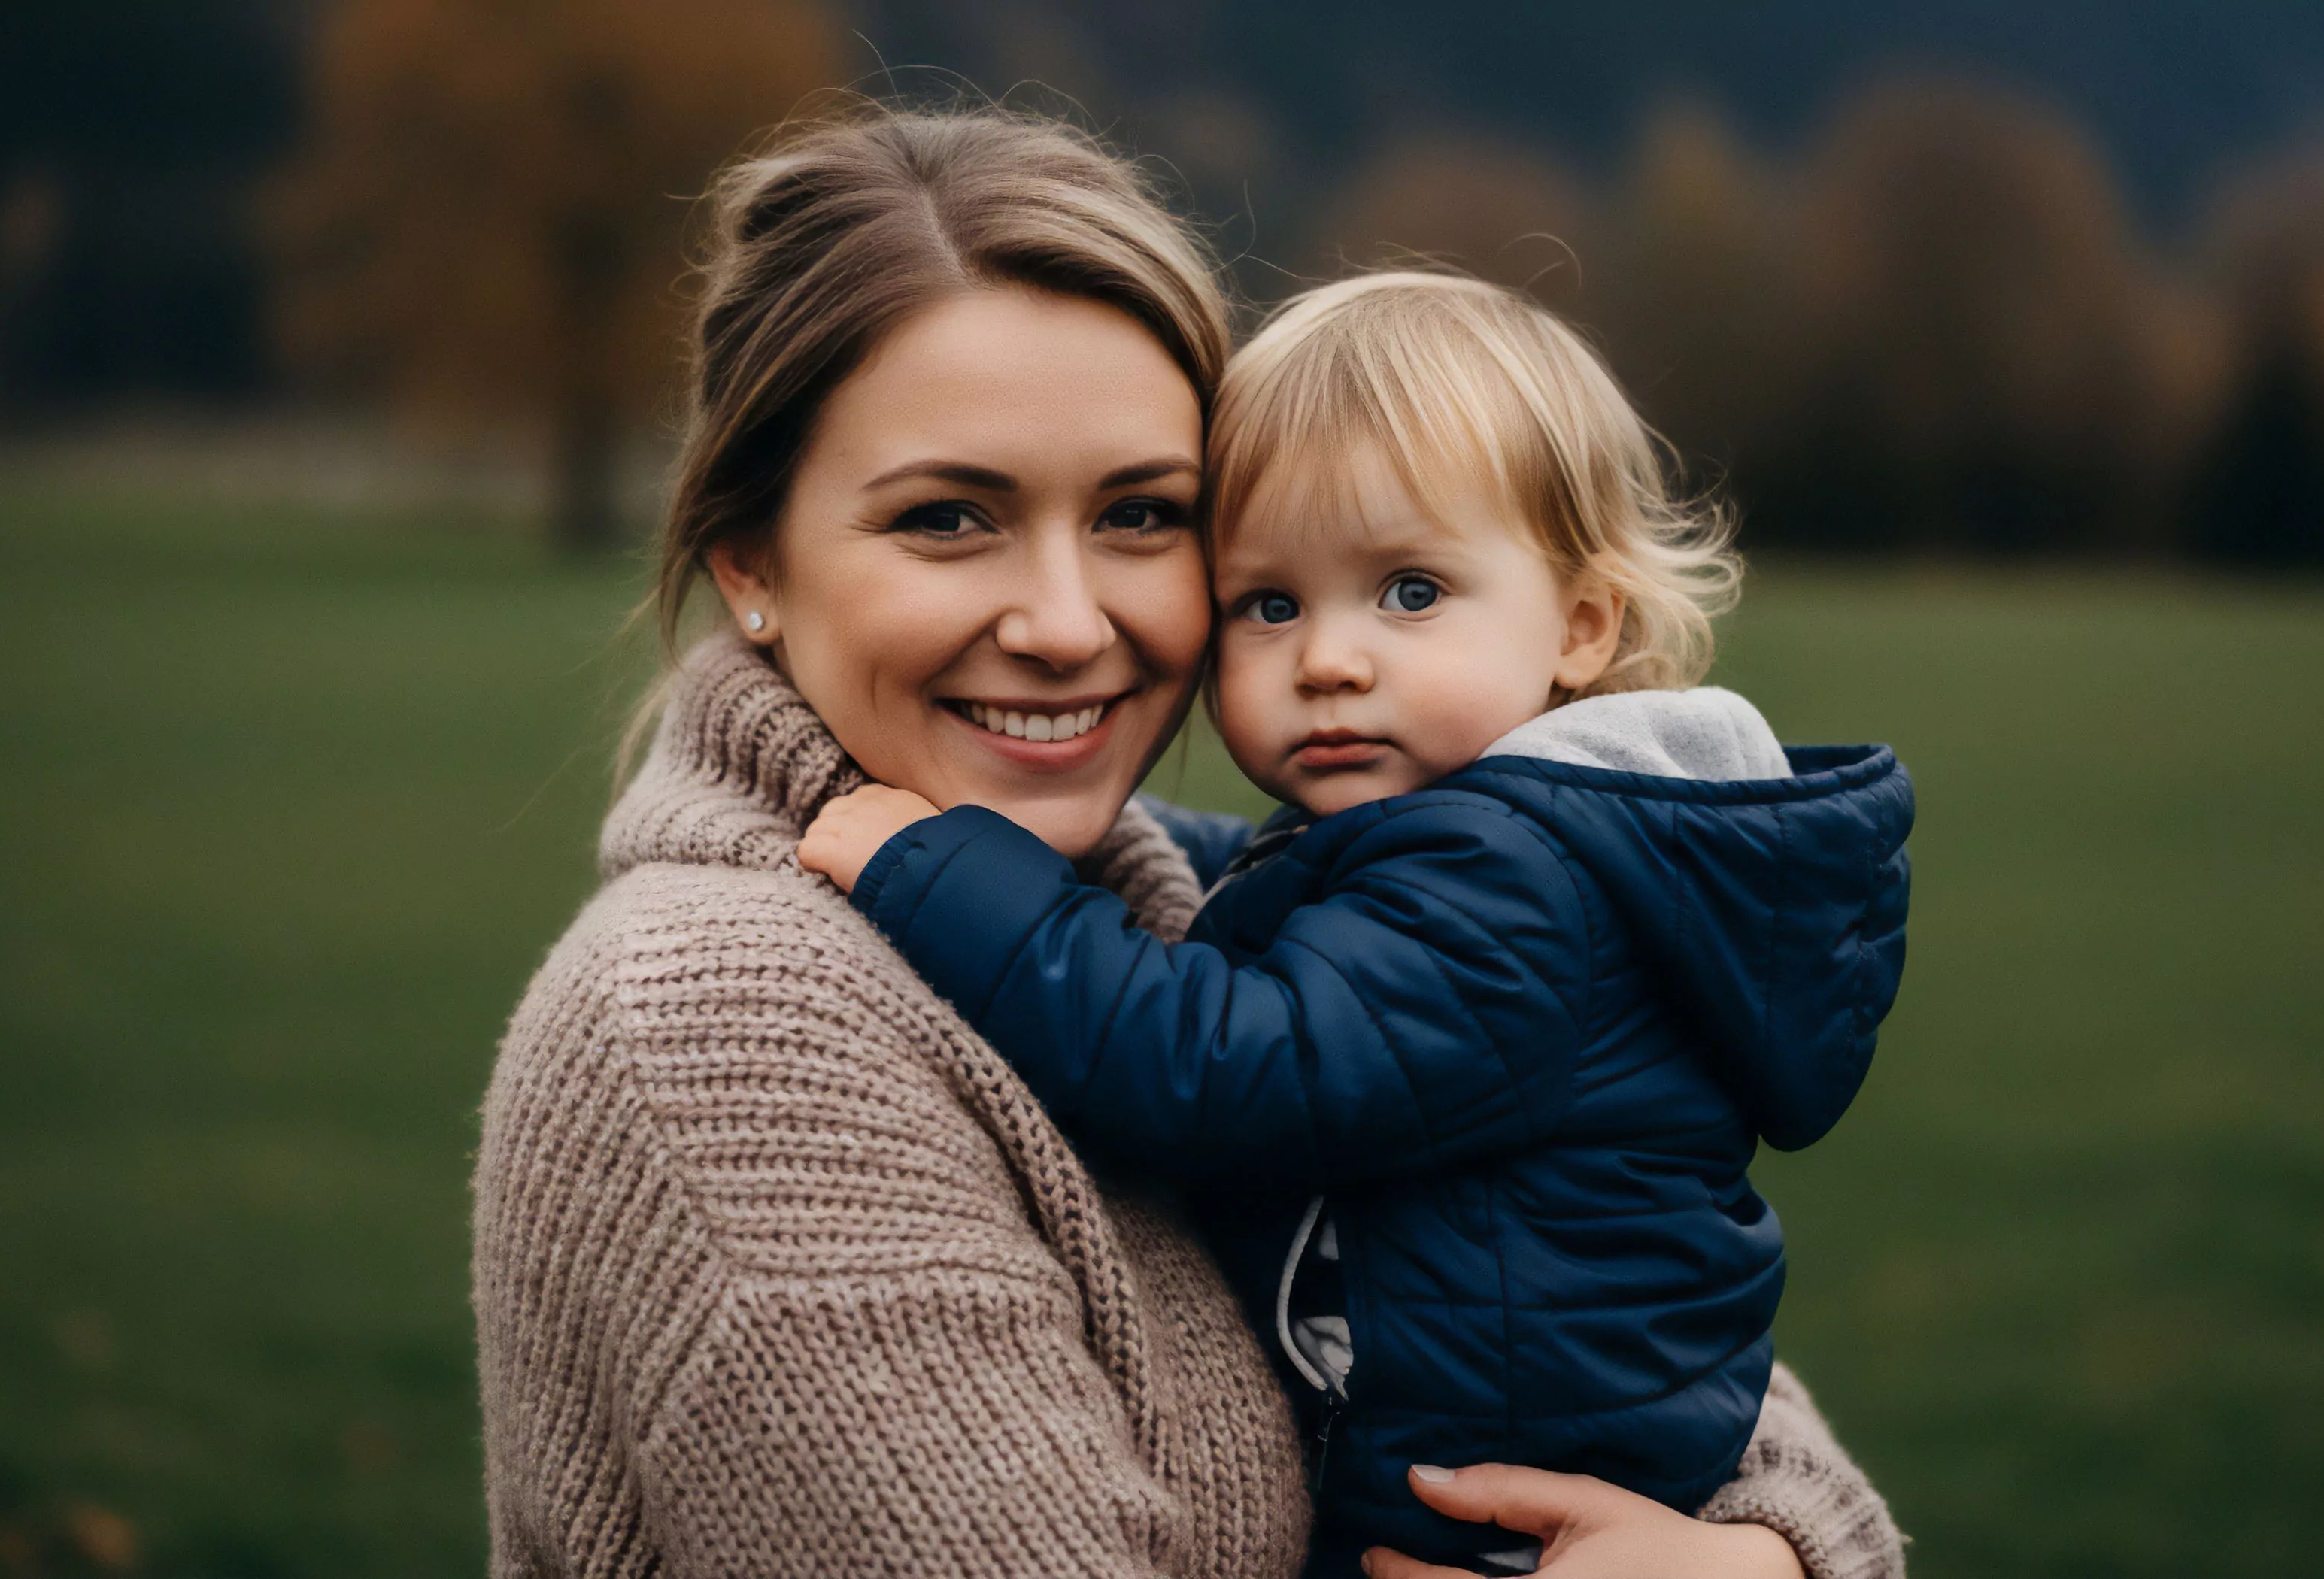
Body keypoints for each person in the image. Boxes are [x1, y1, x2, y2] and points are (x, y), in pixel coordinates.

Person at [475, 105, 1907, 1579]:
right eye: (950, 517)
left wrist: (1762, 1561)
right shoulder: (727, 1035)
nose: (1062, 623)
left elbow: (1657, 1341)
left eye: (1141, 516)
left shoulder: (1175, 894)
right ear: (753, 564)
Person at [797, 271, 1913, 1575]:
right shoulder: (1530, 841)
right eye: (1268, 604)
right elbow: (1273, 897)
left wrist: (942, 869)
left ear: (1581, 623)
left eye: (1409, 593)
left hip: (1487, 1527)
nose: (1326, 658)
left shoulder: (1512, 885)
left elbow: (1227, 1065)